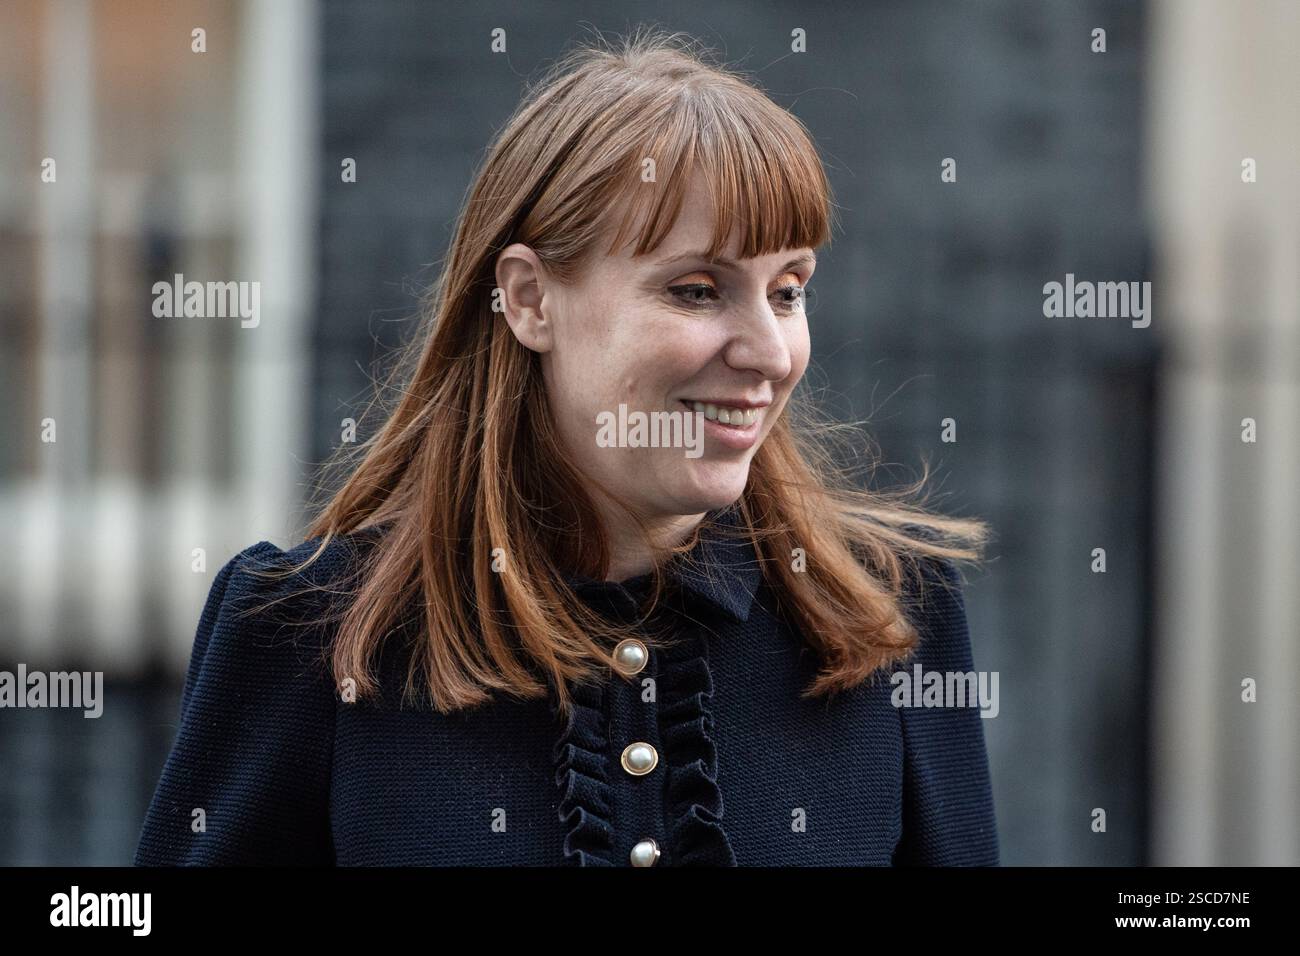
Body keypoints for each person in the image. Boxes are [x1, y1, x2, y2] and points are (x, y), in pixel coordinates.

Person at [134, 28, 998, 867]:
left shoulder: (893, 620)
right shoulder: (310, 635)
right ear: (530, 299)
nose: (770, 353)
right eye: (697, 290)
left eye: (787, 290)